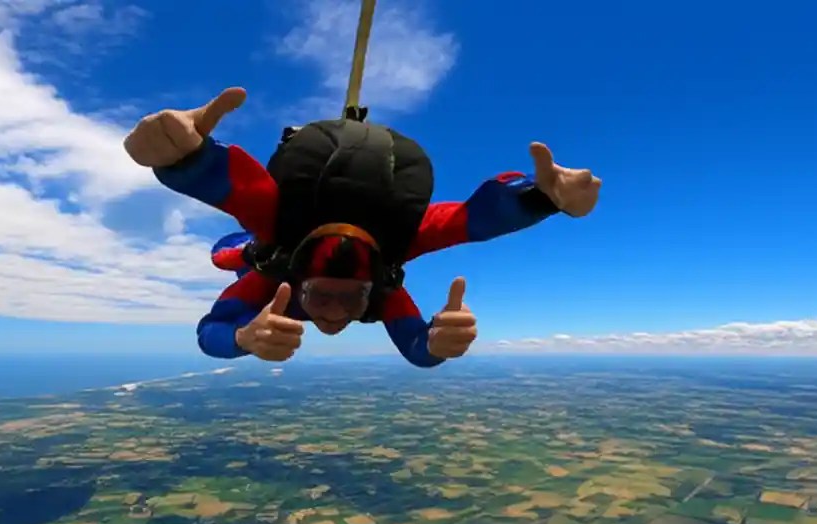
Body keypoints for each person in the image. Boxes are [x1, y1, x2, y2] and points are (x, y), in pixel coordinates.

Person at [123, 87, 602, 367]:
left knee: (256, 242)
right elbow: (468, 223)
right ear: (298, 284)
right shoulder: (286, 271)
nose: (334, 313)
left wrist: (183, 161)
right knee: (236, 253)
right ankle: (244, 248)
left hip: (286, 236)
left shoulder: (337, 274)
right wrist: (539, 201)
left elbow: (467, 224)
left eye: (347, 298)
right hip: (275, 244)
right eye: (329, 297)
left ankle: (246, 247)